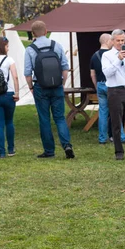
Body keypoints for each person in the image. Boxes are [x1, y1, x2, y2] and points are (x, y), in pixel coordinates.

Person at [24, 20, 75, 159]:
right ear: (46, 31)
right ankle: (67, 145)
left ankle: (49, 151)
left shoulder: (30, 50)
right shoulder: (56, 46)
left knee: (44, 119)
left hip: (40, 87)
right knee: (60, 117)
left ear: (33, 34)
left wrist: (31, 87)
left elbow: (27, 72)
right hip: (57, 86)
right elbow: (65, 67)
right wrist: (62, 83)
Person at [101, 29, 125, 160]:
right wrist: (118, 60)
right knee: (116, 122)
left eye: (122, 40)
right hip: (114, 91)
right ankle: (119, 151)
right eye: (117, 40)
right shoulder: (107, 55)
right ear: (112, 41)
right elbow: (107, 73)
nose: (120, 43)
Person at [89, 33, 125, 145]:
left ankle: (102, 138)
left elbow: (92, 74)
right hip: (112, 85)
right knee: (116, 112)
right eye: (112, 40)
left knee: (103, 112)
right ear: (107, 41)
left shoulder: (94, 56)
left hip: (100, 85)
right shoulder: (112, 55)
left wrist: (97, 87)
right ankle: (122, 136)